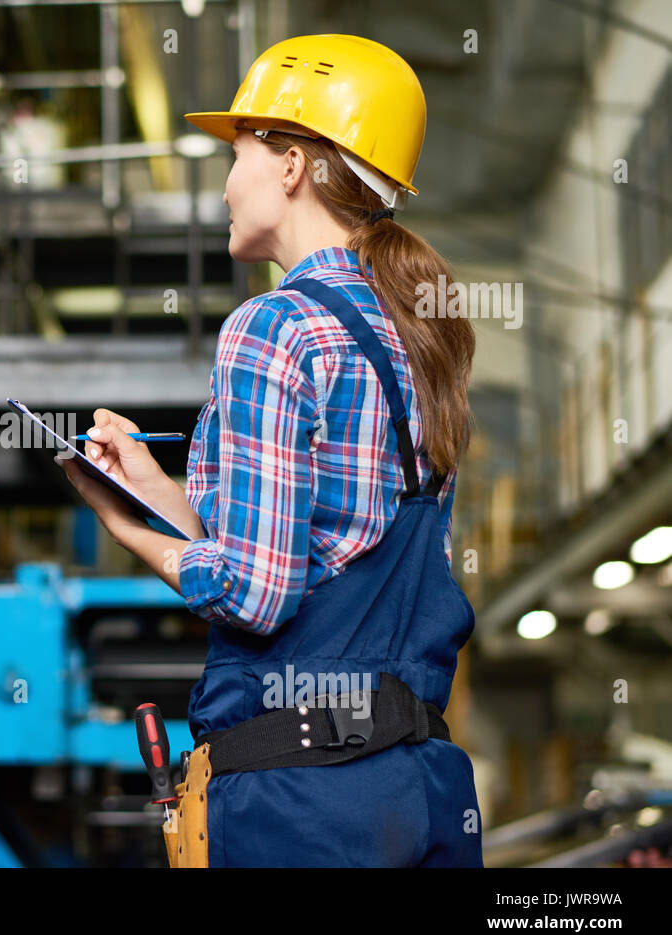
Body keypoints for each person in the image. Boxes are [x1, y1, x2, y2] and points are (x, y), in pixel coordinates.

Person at [57, 34, 481, 867]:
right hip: (419, 785)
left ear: (292, 165)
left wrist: (132, 532)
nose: (223, 185)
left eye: (239, 152)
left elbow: (255, 593)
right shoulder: (417, 333)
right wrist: (156, 489)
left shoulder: (272, 327)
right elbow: (322, 546)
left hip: (301, 802)